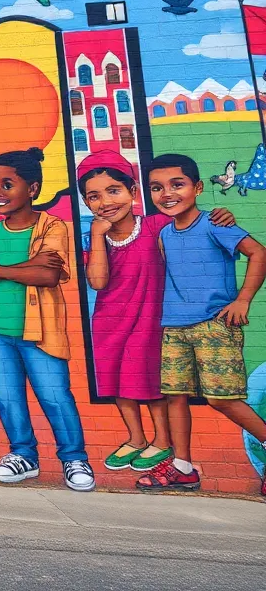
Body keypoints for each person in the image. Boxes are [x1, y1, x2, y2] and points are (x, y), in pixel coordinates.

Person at [79, 150, 230, 473]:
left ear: (133, 192)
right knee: (116, 378)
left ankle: (162, 440)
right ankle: (136, 437)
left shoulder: (156, 225)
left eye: (113, 191)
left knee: (145, 379)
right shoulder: (98, 238)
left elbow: (192, 226)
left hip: (150, 317)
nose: (105, 201)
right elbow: (98, 281)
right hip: (109, 318)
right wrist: (96, 236)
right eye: (93, 196)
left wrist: (222, 215)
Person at [137, 154, 266, 497]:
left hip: (214, 325)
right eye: (156, 188)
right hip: (174, 327)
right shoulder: (163, 233)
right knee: (174, 396)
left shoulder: (215, 224)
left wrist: (242, 300)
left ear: (196, 188)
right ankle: (182, 468)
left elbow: (259, 253)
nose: (167, 194)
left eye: (177, 185)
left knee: (222, 399)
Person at [0, 147, 95, 492]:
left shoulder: (52, 225)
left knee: (55, 395)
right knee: (8, 397)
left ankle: (74, 457)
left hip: (39, 329)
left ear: (33, 188)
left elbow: (49, 274)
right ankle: (23, 455)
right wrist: (19, 269)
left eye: (7, 184)